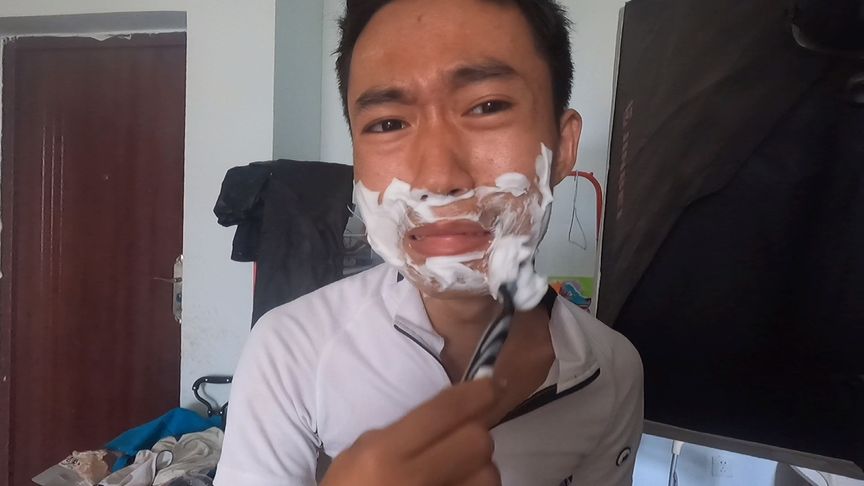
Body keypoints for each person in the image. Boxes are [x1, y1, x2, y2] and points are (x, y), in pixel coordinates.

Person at [214, 0, 644, 485]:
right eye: (388, 124)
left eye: (488, 106)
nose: (438, 177)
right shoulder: (289, 349)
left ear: (563, 147)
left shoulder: (612, 370)